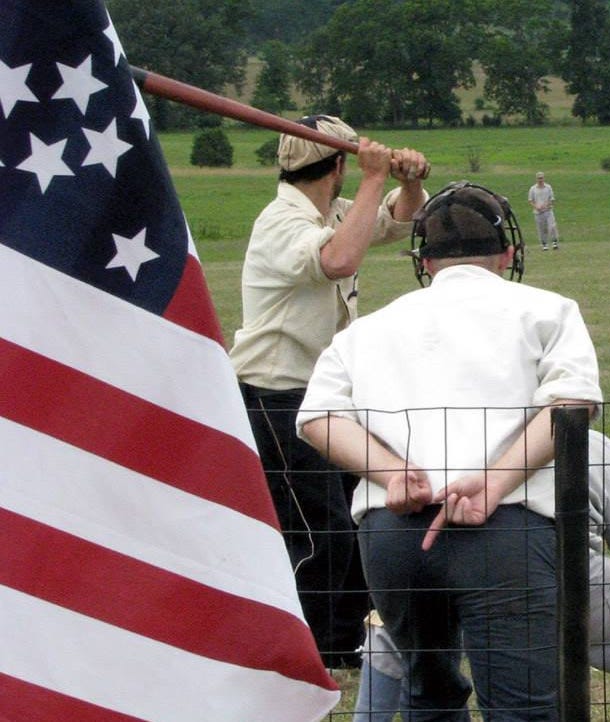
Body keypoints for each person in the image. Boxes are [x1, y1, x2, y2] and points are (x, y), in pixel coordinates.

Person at [297, 181, 603, 720]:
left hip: (393, 535)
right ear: (508, 253)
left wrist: (392, 473)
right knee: (523, 708)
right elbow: (572, 405)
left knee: (427, 697)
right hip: (508, 531)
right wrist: (495, 483)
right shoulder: (549, 310)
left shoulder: (367, 330)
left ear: (424, 261)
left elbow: (317, 417)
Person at [229, 114, 429, 668]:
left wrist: (409, 183)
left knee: (356, 516)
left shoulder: (333, 210)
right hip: (276, 395)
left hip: (324, 395)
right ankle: (312, 648)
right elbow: (338, 259)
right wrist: (375, 178)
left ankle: (345, 642)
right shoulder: (280, 222)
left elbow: (395, 220)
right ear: (339, 165)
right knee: (319, 530)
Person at [352, 430, 610, 722]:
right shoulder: (584, 440)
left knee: (395, 617)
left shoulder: (409, 448)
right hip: (545, 583)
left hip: (418, 570)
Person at [528, 171, 560, 250]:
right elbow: (530, 200)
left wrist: (546, 205)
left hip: (548, 211)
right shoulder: (533, 189)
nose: (540, 180)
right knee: (542, 228)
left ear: (544, 178)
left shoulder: (548, 187)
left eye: (541, 178)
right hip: (538, 212)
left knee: (552, 226)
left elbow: (552, 198)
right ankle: (544, 244)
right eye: (539, 178)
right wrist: (536, 206)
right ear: (536, 179)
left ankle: (554, 242)